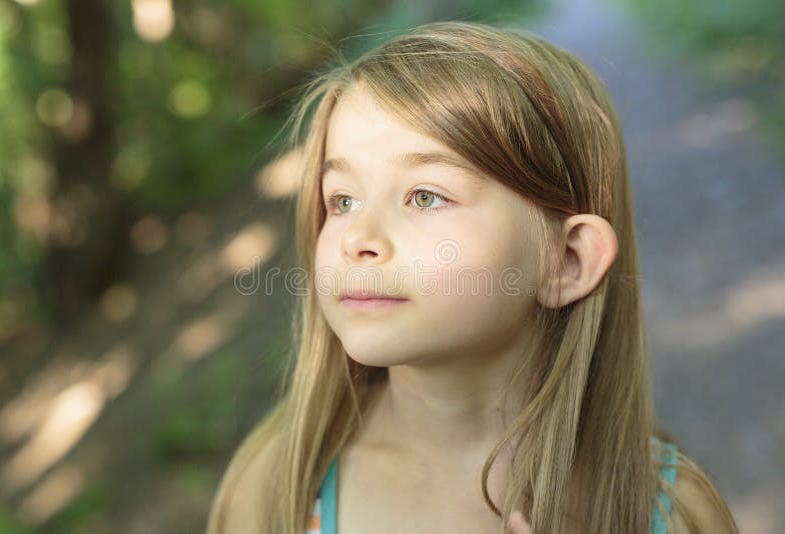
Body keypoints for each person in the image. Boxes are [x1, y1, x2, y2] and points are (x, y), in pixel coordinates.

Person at [207, 21, 739, 533]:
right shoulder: (280, 485)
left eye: (426, 196)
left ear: (567, 261)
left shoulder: (671, 515)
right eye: (342, 200)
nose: (356, 237)